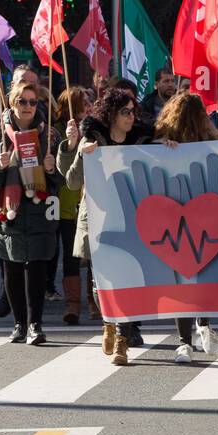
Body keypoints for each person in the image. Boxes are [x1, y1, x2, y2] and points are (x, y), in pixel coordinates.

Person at [58, 87, 153, 365]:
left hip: (131, 218)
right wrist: (82, 154)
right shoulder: (93, 139)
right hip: (99, 217)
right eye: (125, 112)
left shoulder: (141, 140)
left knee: (127, 278)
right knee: (101, 281)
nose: (131, 117)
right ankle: (108, 321)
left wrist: (168, 146)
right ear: (111, 114)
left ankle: (123, 340)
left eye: (133, 111)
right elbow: (72, 182)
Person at [0, 80, 63, 346]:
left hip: (39, 209)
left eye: (32, 102)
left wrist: (50, 169)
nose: (27, 107)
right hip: (7, 210)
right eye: (22, 101)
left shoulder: (50, 136)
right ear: (12, 104)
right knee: (11, 268)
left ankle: (36, 325)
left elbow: (66, 178)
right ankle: (19, 325)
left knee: (36, 267)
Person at [151, 93, 218, 364]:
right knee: (203, 276)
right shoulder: (212, 140)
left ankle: (184, 341)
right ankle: (203, 322)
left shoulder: (163, 142)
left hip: (175, 218)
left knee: (181, 279)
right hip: (206, 215)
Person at [51, 87, 93, 324]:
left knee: (92, 254)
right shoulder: (58, 130)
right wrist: (70, 142)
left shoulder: (95, 128)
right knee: (71, 253)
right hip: (68, 201)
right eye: (84, 102)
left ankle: (93, 300)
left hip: (91, 201)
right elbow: (62, 170)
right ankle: (73, 304)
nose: (89, 106)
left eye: (89, 102)